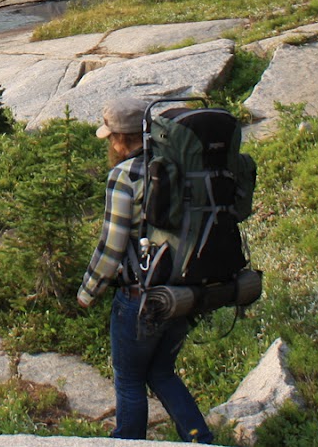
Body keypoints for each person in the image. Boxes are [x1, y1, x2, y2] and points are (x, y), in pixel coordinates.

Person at [78, 95, 213, 443]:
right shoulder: (181, 166)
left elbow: (112, 246)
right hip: (184, 291)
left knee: (129, 378)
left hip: (140, 297)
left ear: (121, 138)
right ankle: (199, 438)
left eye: (110, 136)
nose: (109, 142)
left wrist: (87, 292)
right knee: (162, 372)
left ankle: (128, 440)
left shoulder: (125, 176)